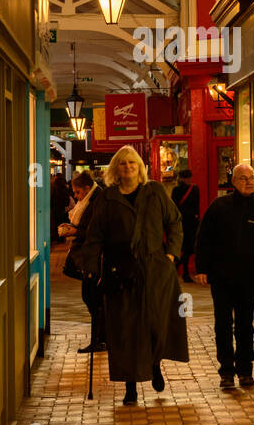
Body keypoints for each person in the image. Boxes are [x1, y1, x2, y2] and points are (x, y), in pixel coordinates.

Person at [77, 145, 188, 405]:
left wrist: (171, 255)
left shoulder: (155, 192)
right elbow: (94, 236)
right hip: (121, 273)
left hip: (156, 272)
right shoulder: (107, 199)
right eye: (123, 164)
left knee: (157, 325)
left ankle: (155, 364)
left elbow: (175, 223)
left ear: (140, 168)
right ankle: (130, 387)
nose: (128, 167)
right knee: (125, 332)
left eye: (133, 163)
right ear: (115, 169)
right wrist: (90, 268)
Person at [194, 163, 254, 389]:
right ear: (233, 182)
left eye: (252, 177)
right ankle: (226, 372)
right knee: (222, 324)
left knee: (244, 325)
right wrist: (201, 268)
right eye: (243, 178)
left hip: (248, 278)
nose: (248, 181)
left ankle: (245, 370)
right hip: (221, 277)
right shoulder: (218, 207)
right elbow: (204, 239)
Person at [60, 171, 105, 353]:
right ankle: (101, 338)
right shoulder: (89, 200)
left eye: (78, 192)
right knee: (91, 297)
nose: (76, 197)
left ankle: (99, 340)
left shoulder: (97, 200)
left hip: (94, 257)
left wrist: (74, 232)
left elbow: (97, 231)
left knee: (92, 297)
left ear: (87, 188)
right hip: (87, 256)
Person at [170, 169, 200, 282]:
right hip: (192, 222)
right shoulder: (195, 189)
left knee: (186, 249)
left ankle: (180, 269)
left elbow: (174, 207)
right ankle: (184, 272)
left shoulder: (176, 190)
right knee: (190, 249)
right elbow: (197, 206)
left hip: (182, 222)